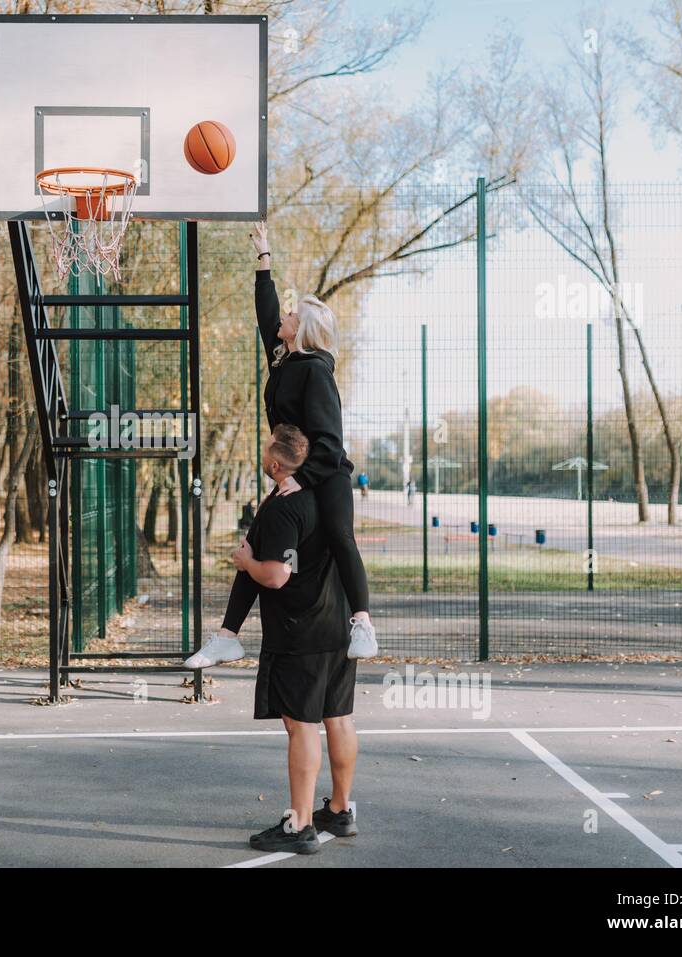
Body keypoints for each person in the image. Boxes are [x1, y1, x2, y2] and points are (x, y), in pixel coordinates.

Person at [186, 221, 376, 666]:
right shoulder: (284, 360)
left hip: (326, 475)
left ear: (303, 331)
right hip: (297, 471)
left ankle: (363, 624)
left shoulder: (315, 372)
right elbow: (265, 312)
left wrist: (302, 480)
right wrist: (263, 259)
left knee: (341, 538)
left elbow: (331, 441)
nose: (284, 318)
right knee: (259, 533)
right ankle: (228, 636)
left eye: (292, 317)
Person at [194, 425, 359, 854]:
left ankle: (300, 824)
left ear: (274, 464)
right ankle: (339, 810)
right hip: (338, 627)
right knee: (337, 717)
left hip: (298, 633)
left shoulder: (283, 508)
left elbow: (277, 575)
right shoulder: (328, 497)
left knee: (300, 725)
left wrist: (247, 562)